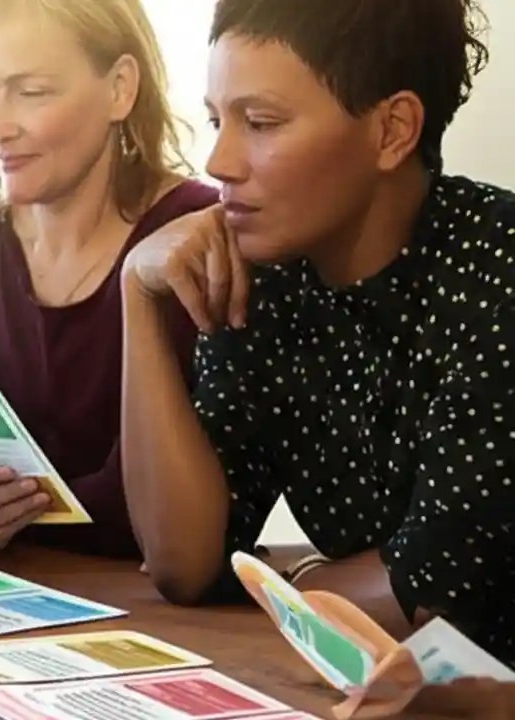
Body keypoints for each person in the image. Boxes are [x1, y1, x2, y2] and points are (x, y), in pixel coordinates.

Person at [120, 0, 512, 668]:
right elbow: (184, 563)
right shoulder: (265, 279)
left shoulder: (497, 268)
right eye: (216, 121)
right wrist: (138, 295)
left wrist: (293, 584)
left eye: (260, 122)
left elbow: (432, 586)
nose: (218, 161)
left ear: (392, 131)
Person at [0, 0, 217, 554]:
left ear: (120, 88)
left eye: (32, 92)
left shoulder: (192, 235)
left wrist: (22, 514)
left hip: (152, 585)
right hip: (20, 580)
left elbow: (150, 501)